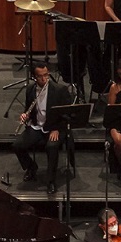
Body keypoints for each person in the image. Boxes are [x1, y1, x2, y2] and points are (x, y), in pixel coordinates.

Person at [12, 61, 73, 195]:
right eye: (40, 76)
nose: (44, 79)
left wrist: (57, 128)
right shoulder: (30, 90)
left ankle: (51, 181)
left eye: (46, 75)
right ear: (34, 77)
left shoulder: (59, 90)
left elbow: (68, 115)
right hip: (36, 127)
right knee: (17, 145)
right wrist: (25, 116)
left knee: (51, 146)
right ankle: (31, 167)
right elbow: (29, 109)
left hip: (54, 127)